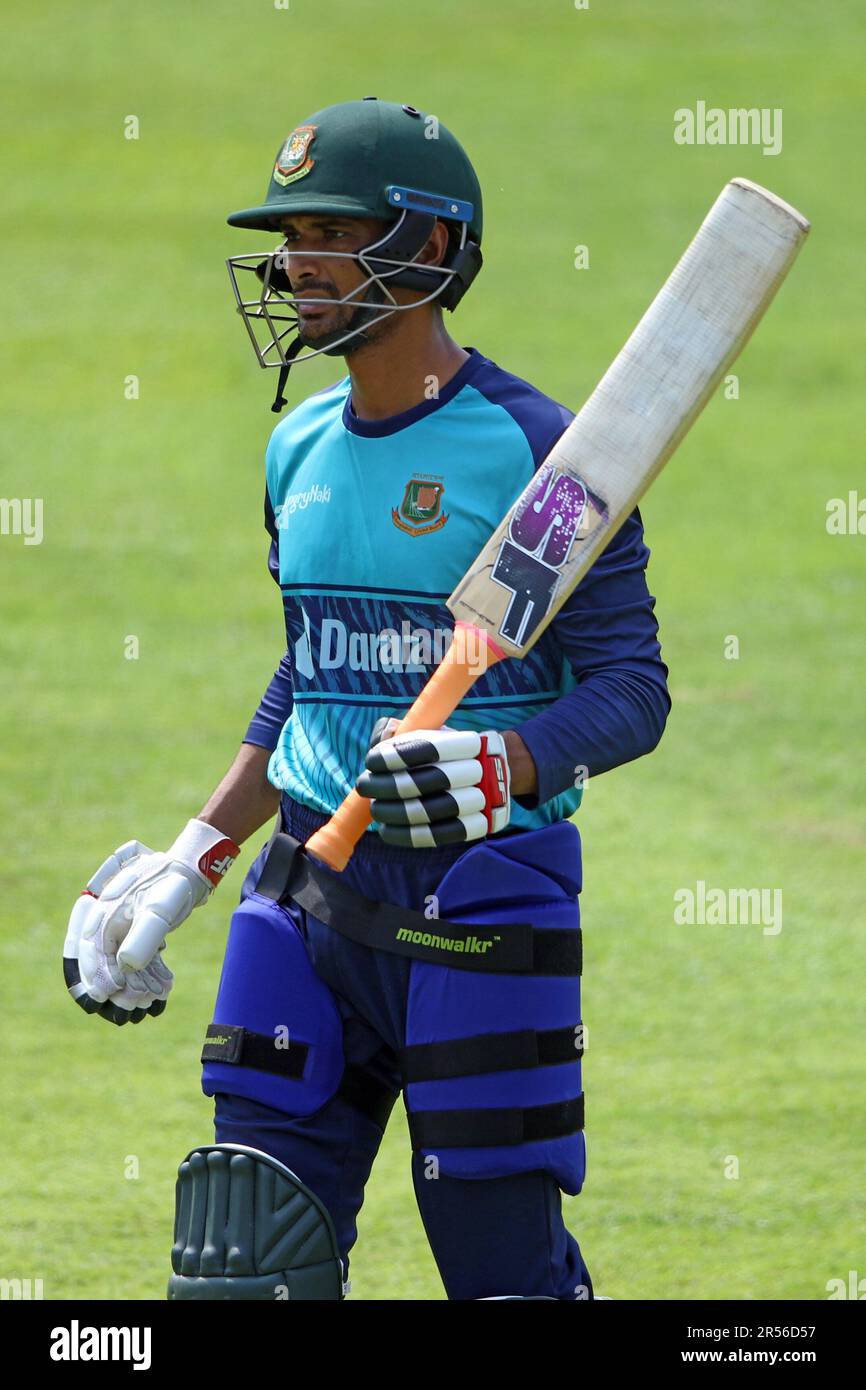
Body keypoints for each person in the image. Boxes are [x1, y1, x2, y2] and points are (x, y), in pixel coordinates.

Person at [63, 98, 670, 1301]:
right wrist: (195, 853)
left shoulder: (540, 453)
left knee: (503, 1277)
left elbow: (630, 688)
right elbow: (309, 665)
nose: (295, 263)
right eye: (289, 234)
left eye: (330, 230)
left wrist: (507, 767)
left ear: (428, 249)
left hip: (483, 905)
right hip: (307, 899)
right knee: (238, 1261)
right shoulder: (296, 445)